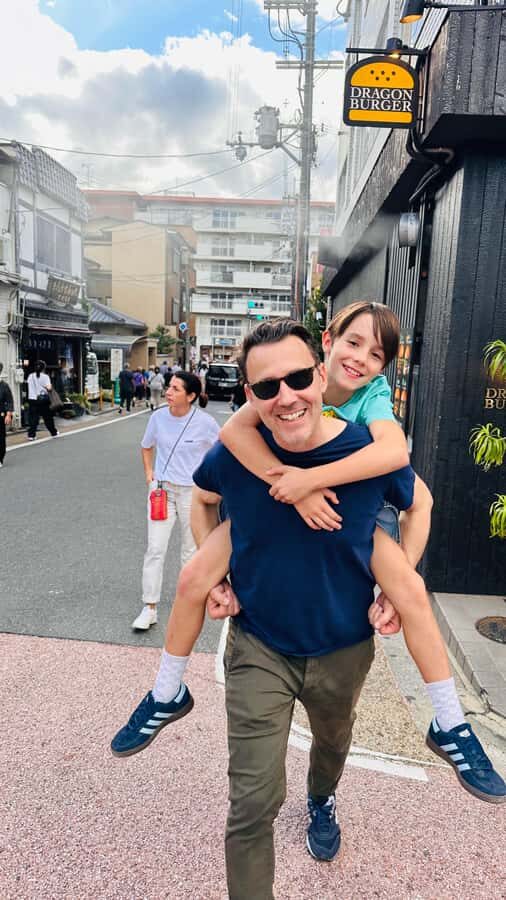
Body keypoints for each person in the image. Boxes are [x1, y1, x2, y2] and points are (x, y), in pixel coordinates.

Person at [111, 306, 506, 807]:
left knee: (409, 591)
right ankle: (167, 691)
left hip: (353, 517)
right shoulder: (280, 383)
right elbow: (233, 435)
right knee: (192, 578)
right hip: (267, 511)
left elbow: (399, 465)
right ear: (327, 344)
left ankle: (449, 722)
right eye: (353, 342)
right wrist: (290, 487)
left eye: (377, 353)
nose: (361, 358)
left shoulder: (373, 399)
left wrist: (314, 486)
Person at [192, 323, 429, 895]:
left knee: (333, 743)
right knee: (251, 803)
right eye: (267, 386)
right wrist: (213, 573)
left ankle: (322, 797)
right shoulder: (237, 452)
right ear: (249, 396)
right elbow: (201, 500)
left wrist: (394, 589)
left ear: (320, 375)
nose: (287, 395)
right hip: (258, 645)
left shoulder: (365, 450)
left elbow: (418, 504)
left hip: (343, 645)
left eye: (298, 378)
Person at [130, 371, 219, 631]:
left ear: (190, 396)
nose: (168, 392)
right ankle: (149, 607)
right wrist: (149, 474)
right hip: (162, 492)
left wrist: (213, 483)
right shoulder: (158, 418)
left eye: (175, 389)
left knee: (190, 552)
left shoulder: (205, 423)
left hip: (193, 492)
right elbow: (147, 446)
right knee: (155, 549)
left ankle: (186, 604)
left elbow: (223, 451)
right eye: (169, 387)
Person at [26, 361, 58, 440]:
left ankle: (31, 435)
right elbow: (49, 388)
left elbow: (27, 386)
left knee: (33, 418)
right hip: (43, 400)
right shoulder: (45, 377)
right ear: (43, 368)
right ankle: (53, 433)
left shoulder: (30, 376)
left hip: (32, 399)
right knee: (47, 417)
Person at [0, 363, 14, 467]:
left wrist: (8, 415)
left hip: (1, 414)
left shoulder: (4, 386)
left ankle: (0, 458)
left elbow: (9, 401)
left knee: (0, 437)